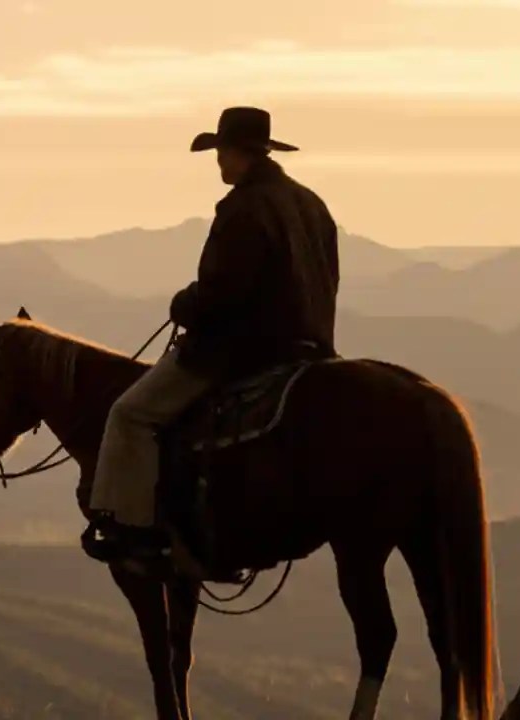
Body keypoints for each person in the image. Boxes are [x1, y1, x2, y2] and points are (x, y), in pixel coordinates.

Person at [83, 106, 341, 573]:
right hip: (312, 349)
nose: (218, 163)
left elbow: (223, 292)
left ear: (235, 152)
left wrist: (183, 304)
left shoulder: (243, 207)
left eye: (220, 152)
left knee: (131, 414)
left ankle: (133, 529)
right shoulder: (311, 203)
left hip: (240, 352)